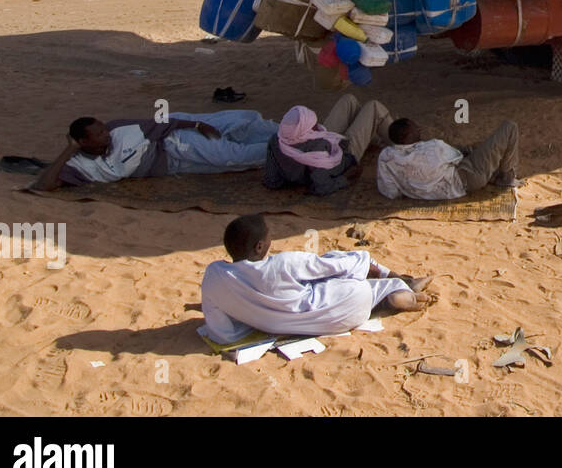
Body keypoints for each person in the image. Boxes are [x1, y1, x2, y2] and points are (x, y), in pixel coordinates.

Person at [200, 214, 432, 344]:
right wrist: (365, 262)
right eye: (270, 236)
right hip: (350, 304)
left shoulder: (215, 276)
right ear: (260, 246)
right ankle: (400, 282)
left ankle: (393, 293)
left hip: (291, 325)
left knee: (322, 284)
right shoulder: (283, 263)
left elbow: (221, 328)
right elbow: (338, 265)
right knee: (343, 263)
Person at [34, 108, 280, 191]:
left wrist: (196, 125)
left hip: (172, 139)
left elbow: (161, 124)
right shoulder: (79, 166)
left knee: (231, 151)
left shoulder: (120, 129)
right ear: (82, 142)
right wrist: (68, 151)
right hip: (173, 164)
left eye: (103, 128)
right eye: (99, 134)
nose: (106, 134)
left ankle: (289, 140)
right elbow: (42, 186)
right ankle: (287, 148)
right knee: (237, 162)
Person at [265, 94, 395, 196]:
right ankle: (403, 145)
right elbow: (322, 186)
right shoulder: (317, 152)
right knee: (374, 107)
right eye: (313, 125)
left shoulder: (277, 140)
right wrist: (345, 177)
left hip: (323, 143)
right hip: (345, 154)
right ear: (305, 130)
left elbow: (272, 180)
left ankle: (371, 134)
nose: (317, 125)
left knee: (349, 100)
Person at [377, 118, 522, 201]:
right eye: (415, 129)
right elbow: (458, 157)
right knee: (509, 127)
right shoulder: (433, 147)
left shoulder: (386, 156)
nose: (419, 130)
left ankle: (493, 170)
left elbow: (390, 191)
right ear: (406, 137)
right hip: (467, 179)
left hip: (441, 188)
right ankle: (506, 177)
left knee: (478, 149)